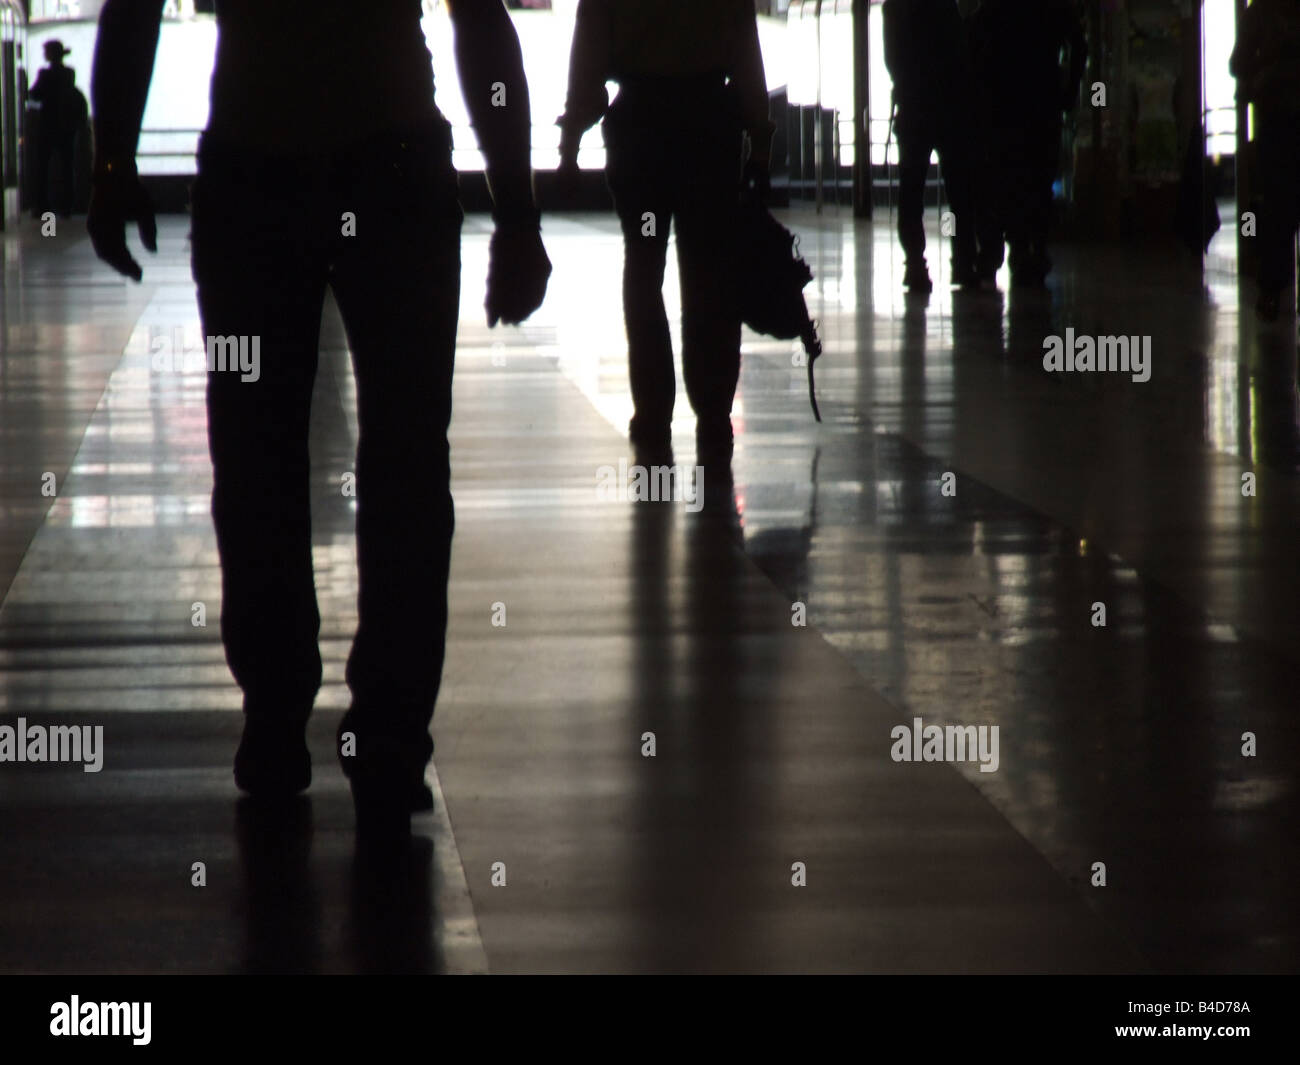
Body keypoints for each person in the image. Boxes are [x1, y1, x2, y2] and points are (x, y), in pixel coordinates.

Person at [87, 0, 552, 842]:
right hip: (396, 168)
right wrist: (515, 207)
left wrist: (112, 160)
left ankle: (275, 710)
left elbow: (134, 11)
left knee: (255, 449)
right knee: (407, 464)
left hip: (250, 177)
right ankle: (389, 734)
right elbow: (480, 23)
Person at [557, 0, 773, 472]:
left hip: (640, 128)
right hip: (709, 127)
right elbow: (744, 45)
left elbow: (589, 53)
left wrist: (571, 141)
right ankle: (713, 410)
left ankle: (653, 411)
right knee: (708, 271)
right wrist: (759, 137)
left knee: (644, 266)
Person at [968, 0, 1086, 287]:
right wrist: (1069, 93)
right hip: (1043, 105)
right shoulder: (1051, 9)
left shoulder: (992, 11)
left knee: (1004, 178)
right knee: (1039, 179)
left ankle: (1008, 247)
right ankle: (1034, 247)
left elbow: (971, 49)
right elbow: (1080, 46)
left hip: (1002, 109)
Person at [882, 0, 980, 292]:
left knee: (911, 192)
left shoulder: (896, 8)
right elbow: (960, 55)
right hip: (949, 110)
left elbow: (893, 60)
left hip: (914, 110)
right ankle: (961, 259)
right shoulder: (946, 7)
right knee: (956, 194)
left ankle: (916, 262)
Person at [1230, 0, 1300, 321]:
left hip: (1274, 118)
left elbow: (1239, 64)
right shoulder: (1261, 13)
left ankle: (1272, 288)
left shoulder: (1259, 12)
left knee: (1276, 208)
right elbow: (1239, 63)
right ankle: (1271, 286)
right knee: (1276, 208)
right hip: (1276, 118)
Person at [29, 39, 87, 218]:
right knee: (67, 166)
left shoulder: (44, 74)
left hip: (48, 125)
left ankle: (43, 206)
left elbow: (35, 94)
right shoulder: (69, 73)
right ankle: (67, 205)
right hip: (67, 125)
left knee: (42, 166)